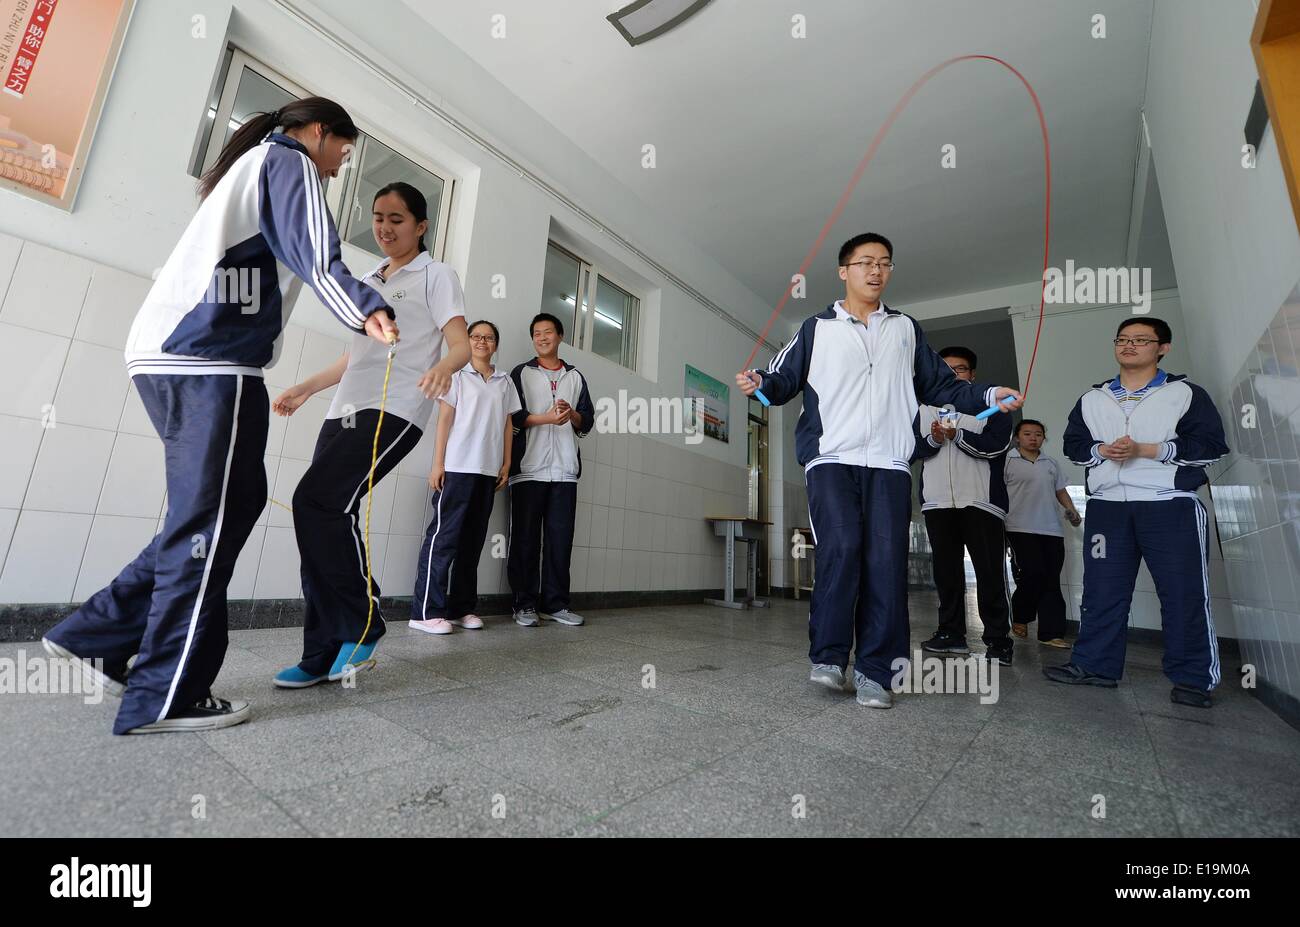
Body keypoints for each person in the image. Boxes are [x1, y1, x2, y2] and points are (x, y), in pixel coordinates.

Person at [40, 98, 400, 733]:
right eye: (343, 151)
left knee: (228, 506)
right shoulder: (287, 160)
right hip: (208, 362)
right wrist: (364, 305)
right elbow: (316, 252)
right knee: (208, 520)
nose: (341, 167)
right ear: (318, 132)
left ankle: (98, 632)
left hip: (179, 357)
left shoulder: (254, 166)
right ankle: (166, 693)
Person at [736, 233, 1024, 708]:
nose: (876, 271)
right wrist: (759, 384)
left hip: (889, 461)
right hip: (831, 457)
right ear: (844, 270)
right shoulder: (815, 328)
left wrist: (989, 396)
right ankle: (829, 656)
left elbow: (943, 385)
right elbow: (781, 380)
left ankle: (877, 673)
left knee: (885, 565)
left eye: (885, 263)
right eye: (865, 262)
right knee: (843, 547)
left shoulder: (905, 329)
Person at [270, 182, 469, 687]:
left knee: (317, 502)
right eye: (378, 217)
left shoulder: (435, 275)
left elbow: (460, 343)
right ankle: (319, 652)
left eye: (397, 219)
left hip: (397, 406)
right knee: (319, 517)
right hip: (346, 410)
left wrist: (445, 367)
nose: (384, 227)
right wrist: (307, 388)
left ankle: (363, 621)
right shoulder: (366, 278)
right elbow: (353, 356)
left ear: (421, 227)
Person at [1047, 317, 1229, 708]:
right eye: (1123, 339)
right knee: (1101, 592)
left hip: (1170, 505)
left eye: (1141, 340)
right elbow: (1073, 445)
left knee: (1183, 594)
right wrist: (1100, 451)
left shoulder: (1184, 394)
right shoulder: (1093, 399)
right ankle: (1095, 666)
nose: (1129, 346)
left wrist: (1149, 450)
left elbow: (1212, 445)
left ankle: (1193, 679)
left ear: (1163, 348)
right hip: (1107, 510)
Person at [411, 320, 520, 634]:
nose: (482, 341)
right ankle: (424, 612)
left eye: (488, 337)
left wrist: (506, 463)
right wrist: (437, 464)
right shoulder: (456, 376)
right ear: (468, 341)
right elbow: (444, 420)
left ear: (495, 345)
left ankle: (461, 608)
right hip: (457, 467)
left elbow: (506, 425)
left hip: (488, 472)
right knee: (444, 539)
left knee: (472, 543)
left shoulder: (504, 382)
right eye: (475, 336)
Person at [911, 346, 1016, 665]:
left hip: (981, 502)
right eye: (945, 369)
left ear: (972, 375)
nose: (952, 374)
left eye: (960, 369)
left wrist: (957, 436)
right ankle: (951, 634)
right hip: (937, 502)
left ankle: (998, 640)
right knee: (946, 572)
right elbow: (911, 450)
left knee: (989, 572)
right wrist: (933, 440)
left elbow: (994, 447)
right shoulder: (921, 407)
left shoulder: (993, 407)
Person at [506, 313, 595, 627]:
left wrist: (570, 415)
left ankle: (555, 604)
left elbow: (587, 421)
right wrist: (545, 418)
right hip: (529, 469)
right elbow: (513, 418)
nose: (542, 338)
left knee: (560, 540)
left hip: (565, 471)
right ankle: (524, 604)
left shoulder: (575, 377)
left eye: (548, 332)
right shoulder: (521, 373)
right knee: (525, 540)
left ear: (560, 337)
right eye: (537, 334)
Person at [1003, 418, 1081, 647]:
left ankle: (1051, 634)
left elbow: (1060, 491)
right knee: (1033, 573)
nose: (1033, 438)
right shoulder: (1006, 461)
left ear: (1043, 438)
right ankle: (1020, 615)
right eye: (1027, 434)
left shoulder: (1050, 463)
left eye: (1038, 434)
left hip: (1051, 529)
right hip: (1018, 526)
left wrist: (1072, 511)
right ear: (1017, 438)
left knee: (1051, 580)